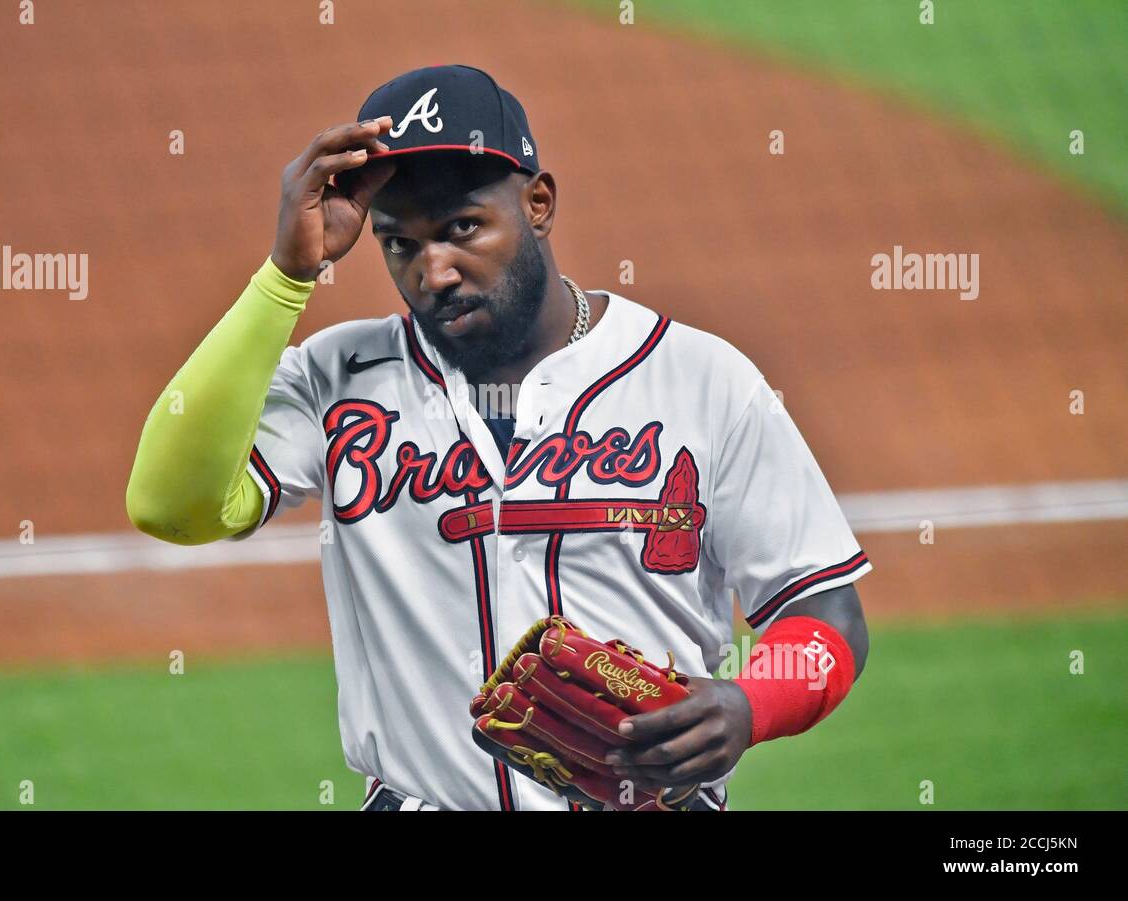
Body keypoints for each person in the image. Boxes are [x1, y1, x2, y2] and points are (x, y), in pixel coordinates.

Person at [126, 64, 872, 811]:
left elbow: (824, 615)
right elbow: (170, 503)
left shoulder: (702, 378)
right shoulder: (338, 378)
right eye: (399, 245)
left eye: (462, 228)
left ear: (538, 203)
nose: (435, 271)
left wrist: (748, 705)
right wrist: (288, 275)